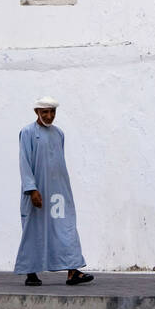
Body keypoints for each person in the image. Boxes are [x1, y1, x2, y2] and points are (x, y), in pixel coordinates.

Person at [13, 96, 94, 287]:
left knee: (66, 228)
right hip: (36, 192)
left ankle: (73, 271)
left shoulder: (59, 134)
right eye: (45, 112)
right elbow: (24, 162)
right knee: (34, 230)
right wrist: (31, 189)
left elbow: (58, 163)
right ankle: (31, 273)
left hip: (58, 193)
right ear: (37, 113)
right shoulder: (27, 133)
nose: (49, 116)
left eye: (52, 112)